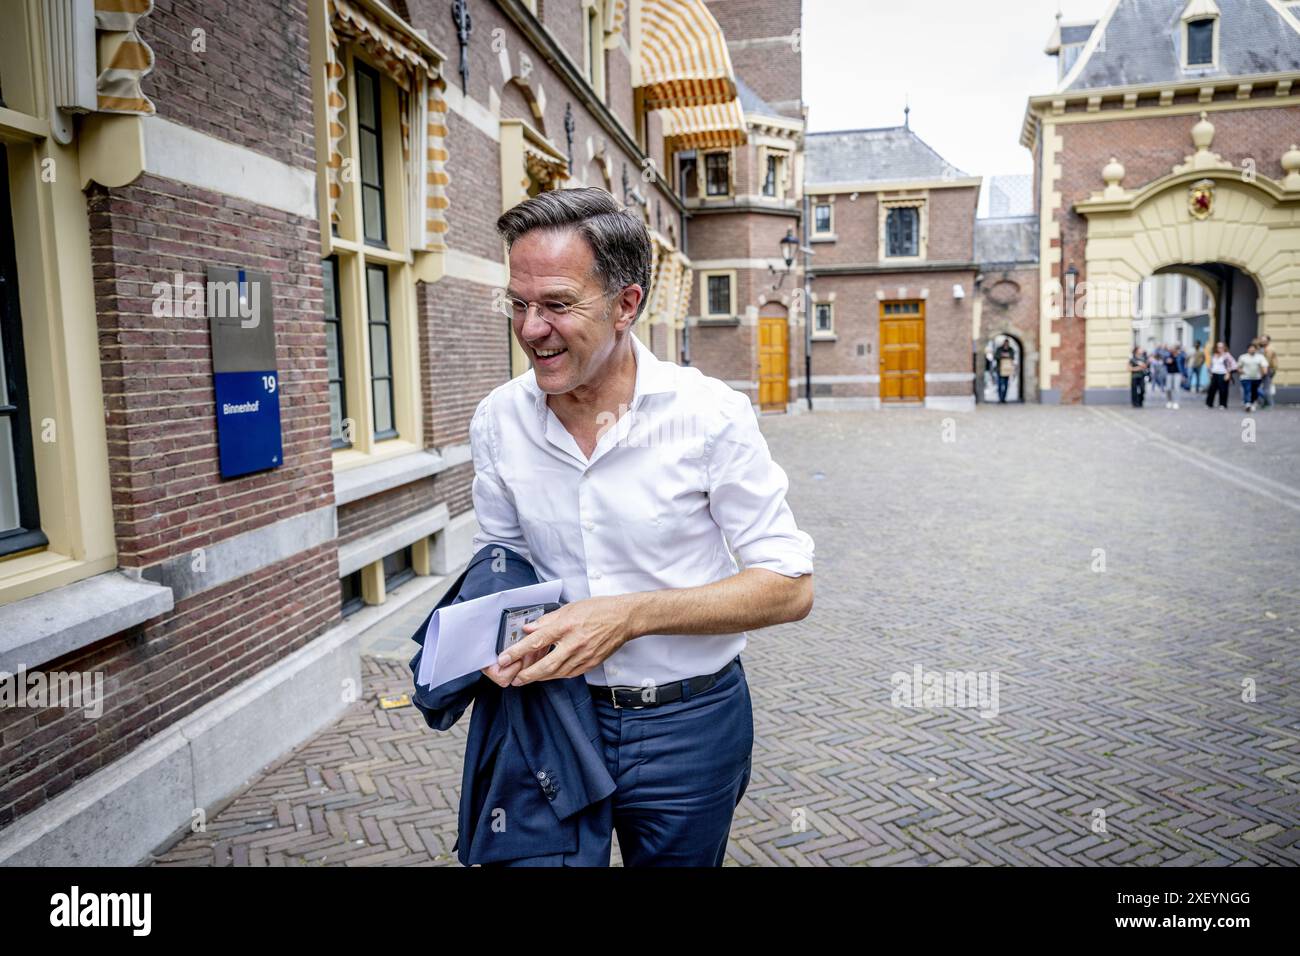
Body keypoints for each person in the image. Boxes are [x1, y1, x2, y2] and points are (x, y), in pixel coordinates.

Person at [469, 187, 815, 867]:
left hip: (690, 727)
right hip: (553, 718)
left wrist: (630, 616)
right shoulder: (496, 419)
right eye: (519, 303)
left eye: (558, 305)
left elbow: (790, 587)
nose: (531, 328)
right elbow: (502, 558)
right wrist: (484, 637)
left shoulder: (711, 415)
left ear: (627, 305)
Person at [1237, 342, 1268, 412]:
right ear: (1248, 350)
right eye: (1250, 349)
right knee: (1247, 390)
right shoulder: (1243, 357)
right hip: (1245, 377)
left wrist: (1264, 373)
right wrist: (1240, 371)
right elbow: (1238, 366)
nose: (1252, 350)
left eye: (1253, 349)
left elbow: (1264, 365)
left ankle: (1253, 402)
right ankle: (1247, 404)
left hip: (1256, 378)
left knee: (1255, 392)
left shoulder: (1260, 357)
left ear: (1256, 350)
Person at [1205, 341, 1236, 409]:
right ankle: (1209, 404)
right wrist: (1210, 372)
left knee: (1223, 390)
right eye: (1218, 347)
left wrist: (1228, 373)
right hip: (1214, 374)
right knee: (1211, 389)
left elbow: (1234, 364)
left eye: (1221, 347)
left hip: (1223, 374)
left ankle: (1222, 404)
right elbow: (1211, 365)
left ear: (1224, 347)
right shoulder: (1214, 355)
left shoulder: (1227, 355)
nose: (1220, 348)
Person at [1257, 334, 1278, 409]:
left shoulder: (1269, 349)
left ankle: (1269, 404)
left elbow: (1266, 362)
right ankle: (1265, 403)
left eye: (1264, 340)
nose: (1262, 341)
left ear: (1268, 341)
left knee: (1266, 388)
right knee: (1263, 388)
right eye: (1261, 340)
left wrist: (1263, 372)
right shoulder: (1262, 348)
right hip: (1265, 369)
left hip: (1267, 369)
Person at [994, 338, 1016, 403]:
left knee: (1006, 385)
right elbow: (996, 356)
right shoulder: (999, 349)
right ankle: (1000, 398)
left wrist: (1006, 355)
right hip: (999, 369)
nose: (1006, 344)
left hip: (1007, 370)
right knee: (999, 385)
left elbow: (1012, 356)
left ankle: (1004, 398)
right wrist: (1003, 355)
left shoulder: (1010, 349)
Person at [1163, 344, 1182, 409]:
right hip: (1169, 373)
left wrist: (1184, 374)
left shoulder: (1180, 355)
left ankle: (1176, 402)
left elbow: (1184, 361)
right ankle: (1169, 401)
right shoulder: (1167, 355)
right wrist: (1166, 361)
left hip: (1177, 373)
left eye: (1174, 349)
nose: (1172, 350)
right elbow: (1164, 362)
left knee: (1176, 388)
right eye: (1171, 349)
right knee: (1168, 388)